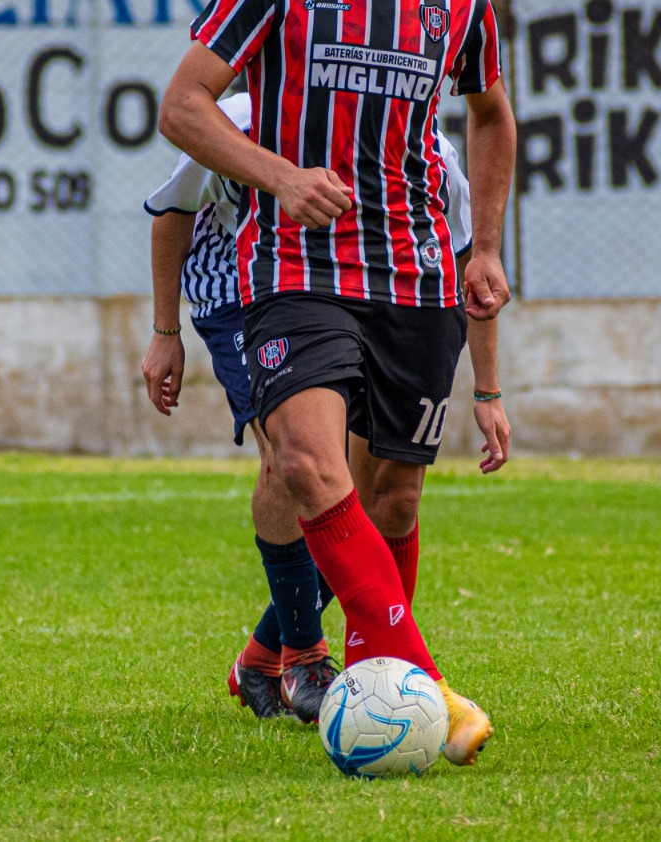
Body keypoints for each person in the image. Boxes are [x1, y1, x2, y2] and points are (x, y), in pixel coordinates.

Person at [156, 0, 517, 766]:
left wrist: (483, 245)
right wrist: (279, 176)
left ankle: (300, 662)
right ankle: (421, 685)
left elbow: (491, 115)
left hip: (416, 275)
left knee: (393, 498)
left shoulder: (456, 0)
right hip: (296, 269)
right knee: (310, 467)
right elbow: (182, 107)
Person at [140, 93, 511, 724]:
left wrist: (488, 391)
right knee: (295, 457)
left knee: (373, 495)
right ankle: (304, 657)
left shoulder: (431, 155)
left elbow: (470, 269)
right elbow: (172, 214)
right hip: (234, 278)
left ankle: (264, 656)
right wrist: (166, 331)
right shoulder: (242, 121)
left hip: (365, 284)